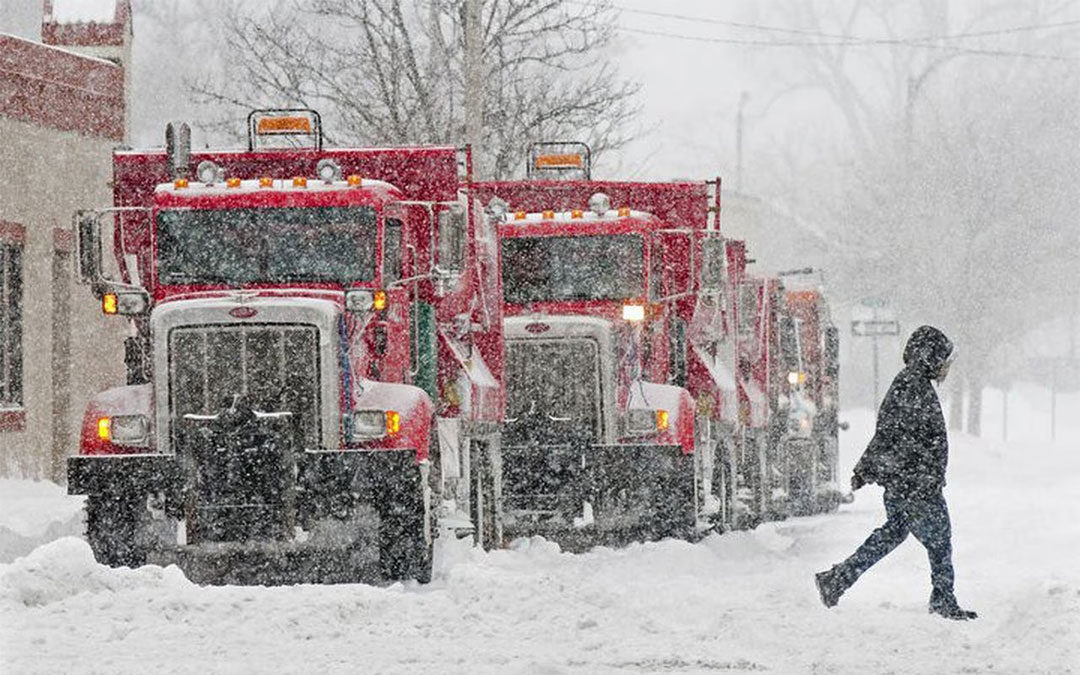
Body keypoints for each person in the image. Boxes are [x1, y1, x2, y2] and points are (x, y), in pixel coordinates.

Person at [814, 325, 977, 620]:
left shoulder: (911, 383)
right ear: (930, 356)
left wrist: (868, 468)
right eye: (944, 360)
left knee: (893, 534)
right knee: (940, 540)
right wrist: (921, 475)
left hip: (908, 483)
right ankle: (943, 599)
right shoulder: (914, 387)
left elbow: (889, 433)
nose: (946, 368)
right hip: (916, 486)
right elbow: (897, 436)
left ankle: (836, 580)